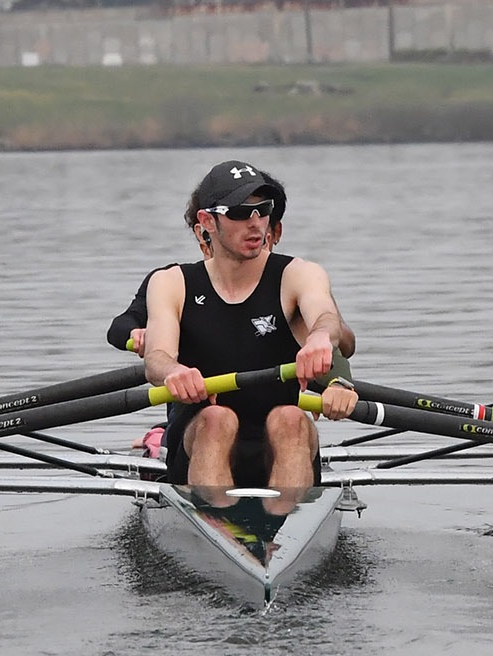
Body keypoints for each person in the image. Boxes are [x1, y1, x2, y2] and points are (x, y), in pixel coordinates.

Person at [139, 160, 357, 498]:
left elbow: (326, 317)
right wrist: (173, 371)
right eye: (240, 212)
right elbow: (156, 359)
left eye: (263, 210)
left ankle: (288, 526)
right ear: (207, 221)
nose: (255, 223)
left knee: (289, 418)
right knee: (217, 419)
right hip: (201, 439)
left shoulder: (299, 274)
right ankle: (214, 523)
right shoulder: (171, 283)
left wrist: (318, 340)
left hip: (284, 442)